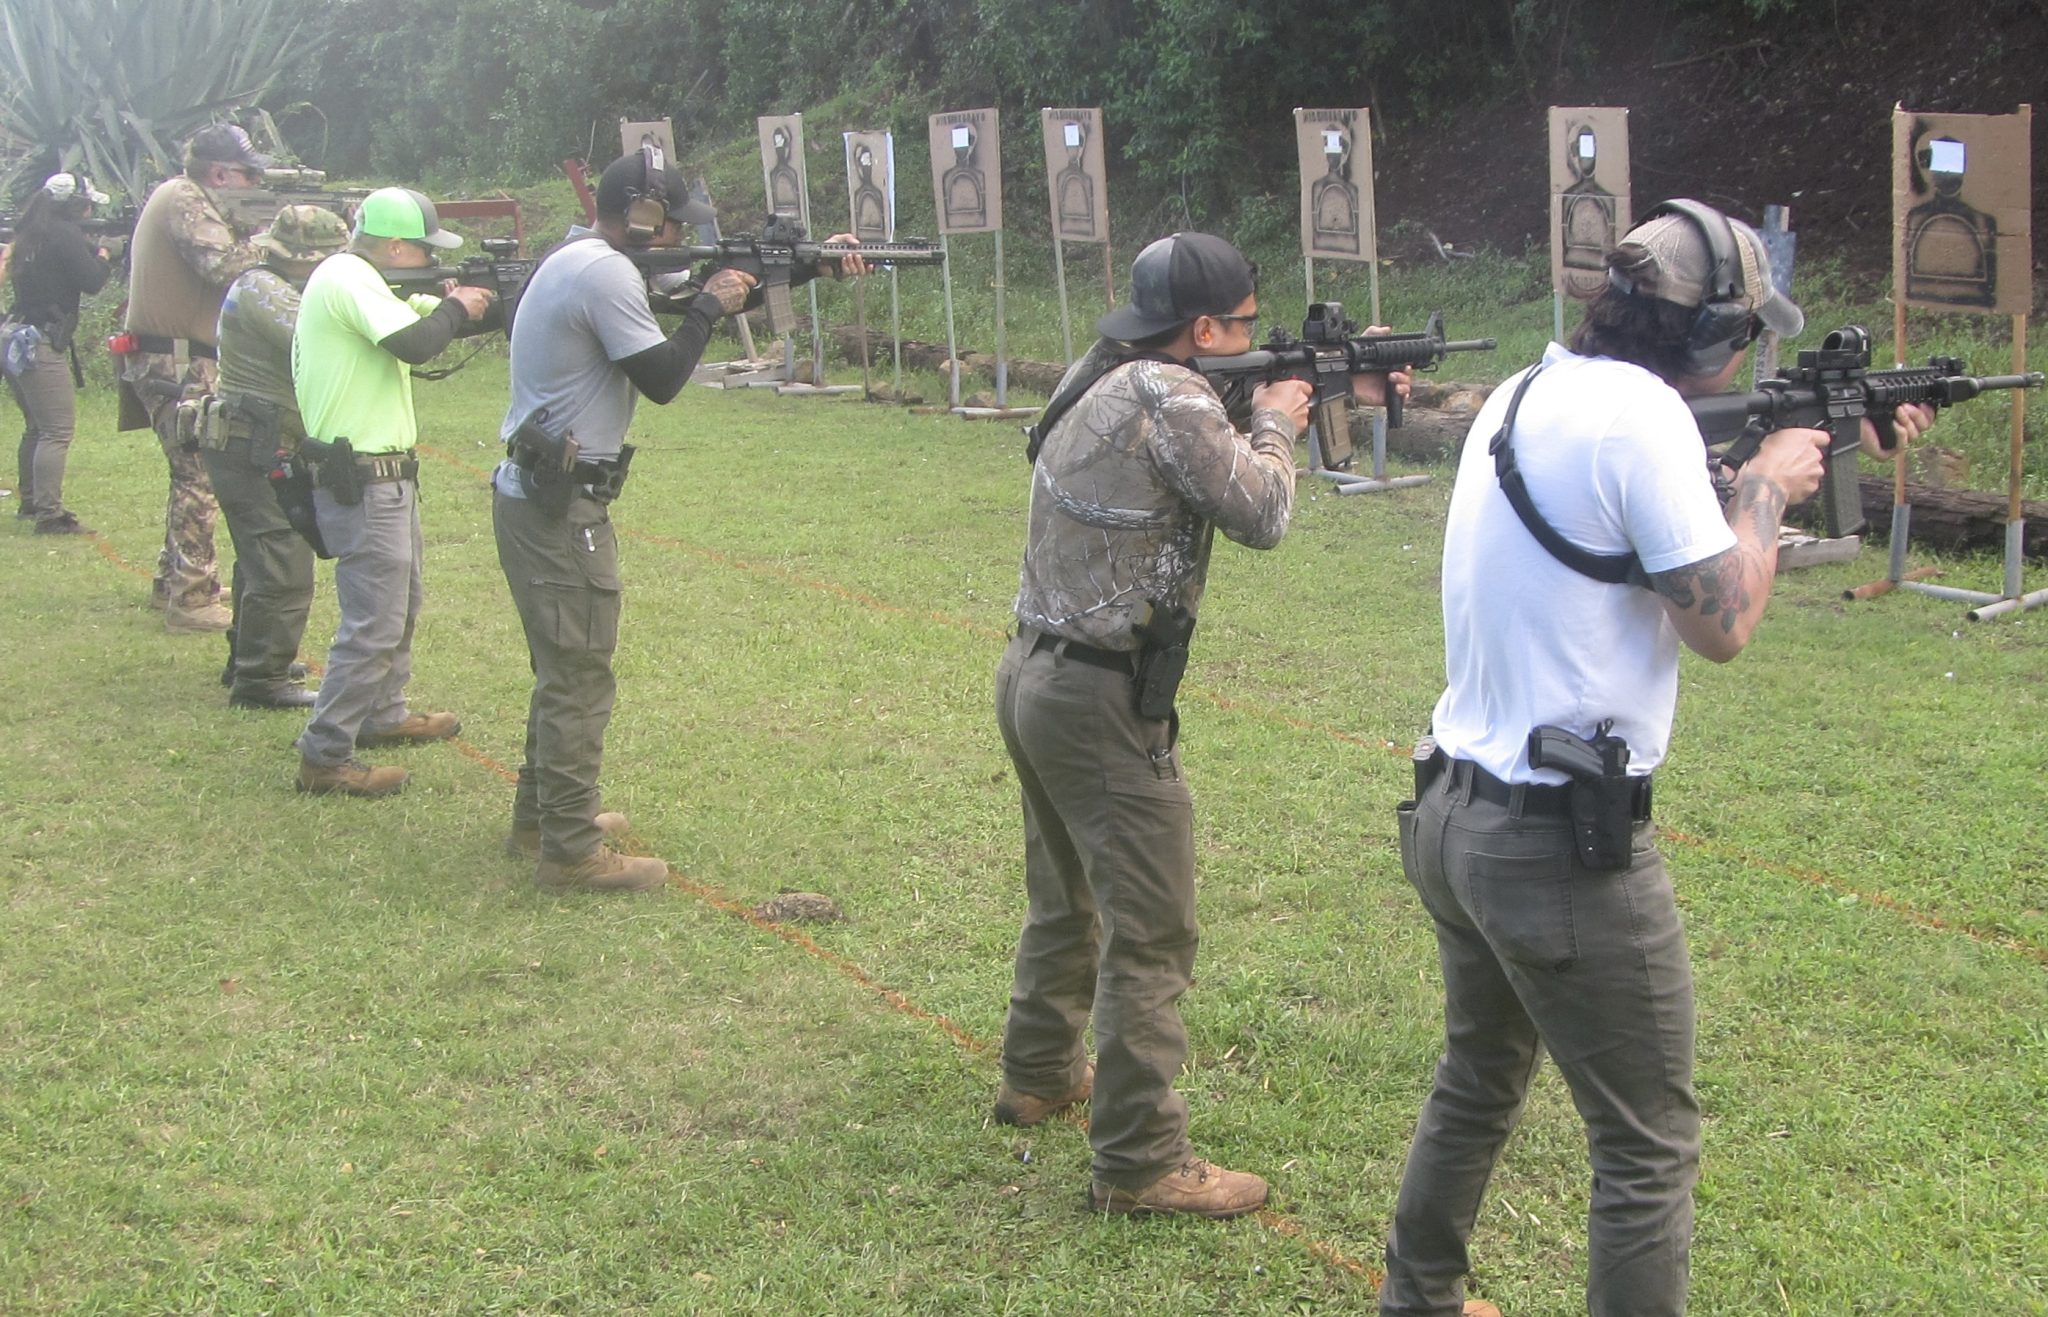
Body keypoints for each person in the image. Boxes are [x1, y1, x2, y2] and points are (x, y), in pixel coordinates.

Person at [1378, 200, 1934, 1317]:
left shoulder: (1528, 391)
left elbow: (1611, 526)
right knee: (1646, 1149)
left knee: (1478, 1077)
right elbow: (1719, 624)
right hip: (1555, 846)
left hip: (1452, 810)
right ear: (1715, 337)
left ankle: (1418, 1296)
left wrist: (1764, 457)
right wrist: (1768, 487)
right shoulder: (1641, 424)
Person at [992, 232, 1407, 1218]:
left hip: (1034, 673)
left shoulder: (1114, 377)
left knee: (1064, 896)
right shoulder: (1174, 396)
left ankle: (1037, 1074)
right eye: (1244, 326)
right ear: (1206, 330)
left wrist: (1313, 385)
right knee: (1154, 930)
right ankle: (1138, 1161)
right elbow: (1259, 511)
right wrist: (1275, 423)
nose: (1251, 339)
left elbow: (1182, 440)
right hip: (1099, 698)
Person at [493, 148, 867, 890]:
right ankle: (569, 851)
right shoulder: (603, 271)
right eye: (669, 228)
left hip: (540, 495)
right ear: (642, 217)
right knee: (578, 673)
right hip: (561, 503)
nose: (675, 241)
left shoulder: (580, 260)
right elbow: (666, 373)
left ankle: (546, 817)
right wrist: (711, 302)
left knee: (562, 667)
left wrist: (807, 268)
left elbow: (674, 311)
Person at [290, 187, 493, 797]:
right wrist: (457, 307)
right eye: (424, 248)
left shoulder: (366, 284)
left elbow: (431, 323)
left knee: (400, 603)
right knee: (373, 621)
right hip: (362, 480)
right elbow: (416, 341)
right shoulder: (346, 275)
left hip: (386, 478)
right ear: (398, 246)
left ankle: (383, 714)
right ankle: (325, 753)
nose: (430, 258)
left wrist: (474, 303)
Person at [118, 124, 268, 631]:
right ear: (220, 172)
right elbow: (224, 265)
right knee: (199, 473)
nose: (251, 184)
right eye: (247, 175)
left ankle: (175, 580)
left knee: (190, 469)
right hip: (177, 360)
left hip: (175, 356)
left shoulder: (180, 195)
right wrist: (279, 243)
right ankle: (192, 595)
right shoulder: (185, 197)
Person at [206, 204, 350, 710]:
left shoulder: (268, 285)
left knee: (262, 557)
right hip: (252, 441)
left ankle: (251, 659)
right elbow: (310, 340)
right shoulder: (262, 289)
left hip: (254, 441)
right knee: (281, 563)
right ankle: (261, 680)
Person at [6, 172, 113, 534]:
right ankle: (49, 515)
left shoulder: (31, 232)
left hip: (16, 334)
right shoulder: (64, 234)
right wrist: (104, 254)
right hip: (39, 340)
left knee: (37, 427)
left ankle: (32, 501)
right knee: (56, 431)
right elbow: (93, 281)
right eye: (85, 205)